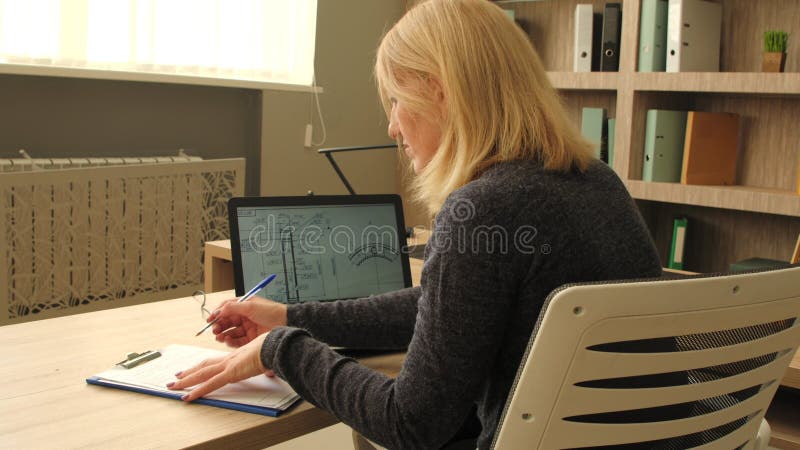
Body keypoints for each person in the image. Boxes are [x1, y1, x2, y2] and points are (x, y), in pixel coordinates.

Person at [167, 0, 662, 448]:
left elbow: (411, 424)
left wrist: (281, 349)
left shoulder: (483, 207)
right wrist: (291, 316)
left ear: (438, 92)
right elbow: (445, 306)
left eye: (397, 101)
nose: (392, 126)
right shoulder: (599, 182)